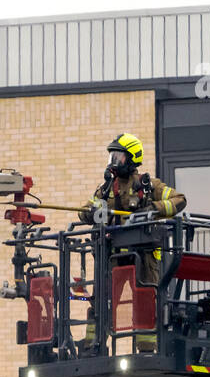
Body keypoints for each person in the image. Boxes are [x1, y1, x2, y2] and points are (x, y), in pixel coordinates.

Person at [78, 133, 186, 350]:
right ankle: (93, 345)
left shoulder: (148, 185)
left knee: (146, 298)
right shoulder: (106, 188)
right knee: (100, 299)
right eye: (112, 157)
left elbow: (179, 199)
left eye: (119, 157)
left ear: (132, 158)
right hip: (113, 253)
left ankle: (147, 348)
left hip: (143, 254)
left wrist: (154, 209)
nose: (114, 162)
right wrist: (92, 211)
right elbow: (82, 212)